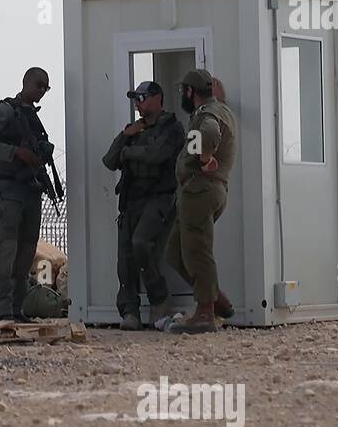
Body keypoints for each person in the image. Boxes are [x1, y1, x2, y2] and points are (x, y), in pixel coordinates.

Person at [102, 80, 185, 330]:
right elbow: (109, 160)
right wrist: (124, 137)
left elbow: (156, 156)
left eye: (143, 97)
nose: (138, 103)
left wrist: (129, 153)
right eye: (135, 99)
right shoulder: (133, 130)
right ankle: (129, 311)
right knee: (125, 258)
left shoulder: (171, 127)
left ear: (157, 99)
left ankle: (159, 299)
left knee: (141, 244)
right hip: (131, 200)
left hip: (158, 197)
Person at [0, 67, 55, 323]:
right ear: (26, 83)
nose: (42, 91)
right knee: (8, 248)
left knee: (27, 249)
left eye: (46, 87)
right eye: (39, 85)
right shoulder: (4, 111)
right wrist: (16, 153)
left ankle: (18, 308)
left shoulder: (32, 117)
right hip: (8, 187)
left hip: (30, 188)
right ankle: (4, 310)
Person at [165, 70, 238, 333]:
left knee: (197, 252)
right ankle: (217, 299)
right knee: (175, 252)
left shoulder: (207, 115)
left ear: (189, 92)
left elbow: (208, 133)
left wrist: (205, 158)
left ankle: (205, 313)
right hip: (204, 192)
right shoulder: (220, 109)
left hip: (200, 191)